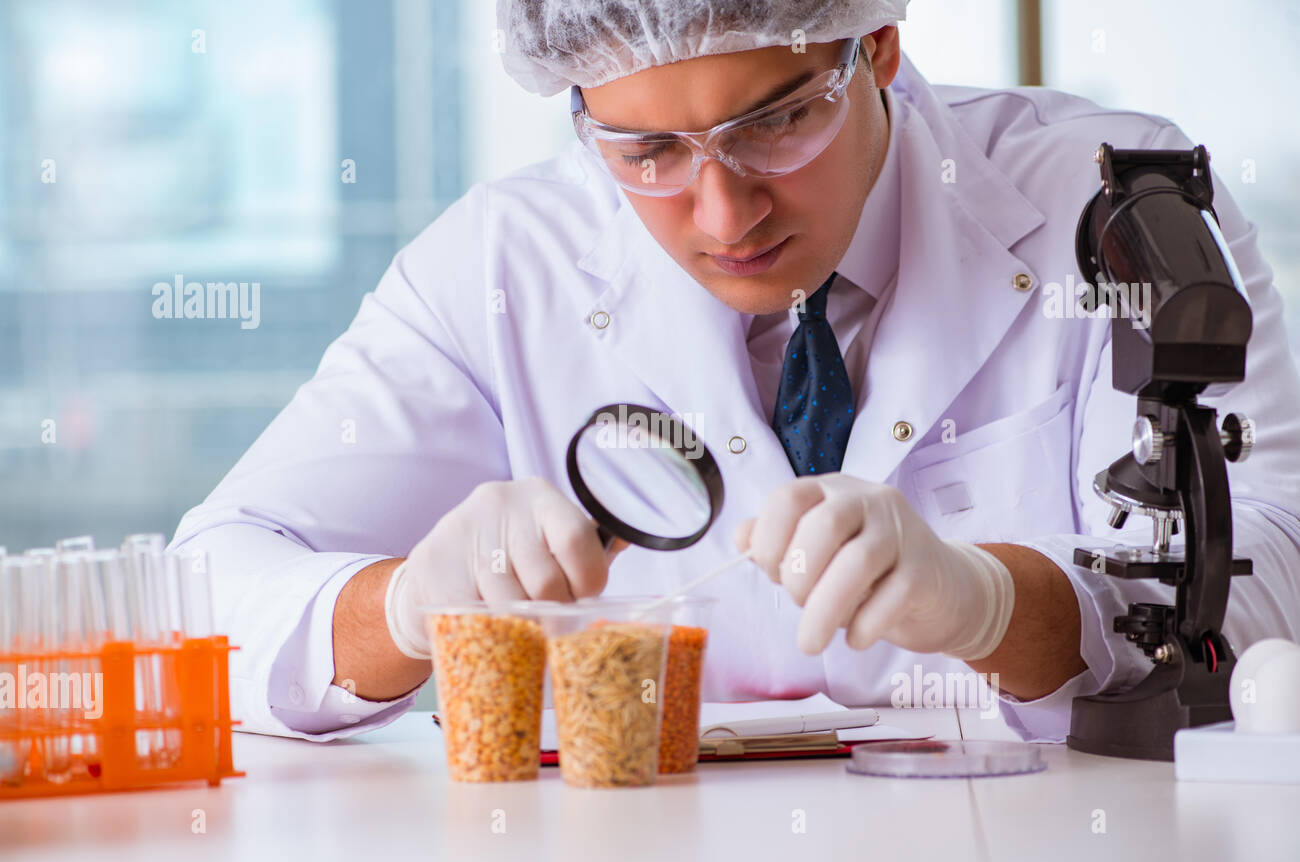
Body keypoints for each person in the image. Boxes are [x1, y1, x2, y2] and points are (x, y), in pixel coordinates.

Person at [171, 0, 1300, 743]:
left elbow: (1276, 563)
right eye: (647, 151)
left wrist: (998, 601)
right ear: (580, 115)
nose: (723, 211)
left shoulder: (1104, 203)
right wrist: (404, 608)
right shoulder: (499, 266)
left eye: (776, 123)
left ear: (876, 50)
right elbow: (205, 592)